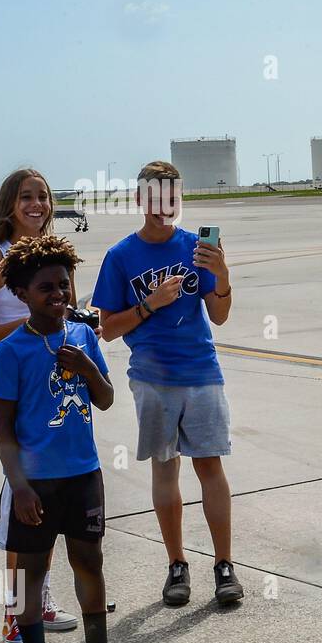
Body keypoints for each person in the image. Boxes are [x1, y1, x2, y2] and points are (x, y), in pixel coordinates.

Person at [0, 236, 149, 643]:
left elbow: (106, 398)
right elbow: (3, 430)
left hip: (83, 474)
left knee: (90, 562)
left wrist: (86, 368)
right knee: (31, 572)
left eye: (64, 284)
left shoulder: (80, 337)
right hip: (34, 482)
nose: (58, 294)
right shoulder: (11, 351)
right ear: (21, 292)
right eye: (46, 287)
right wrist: (18, 487)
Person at [92, 161, 243, 606]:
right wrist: (152, 304)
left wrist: (224, 276)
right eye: (155, 199)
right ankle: (177, 564)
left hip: (201, 372)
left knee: (210, 466)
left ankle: (224, 565)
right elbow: (108, 327)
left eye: (171, 198)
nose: (164, 207)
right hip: (152, 379)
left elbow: (219, 315)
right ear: (140, 200)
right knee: (165, 465)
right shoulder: (121, 257)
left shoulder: (198, 247)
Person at [0, 169, 80, 643]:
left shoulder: (55, 253)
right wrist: (22, 329)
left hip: (59, 390)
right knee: (22, 509)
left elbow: (65, 311)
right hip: (19, 390)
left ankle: (40, 601)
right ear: (10, 204)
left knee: (50, 508)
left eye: (43, 197)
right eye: (26, 197)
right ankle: (15, 618)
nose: (36, 204)